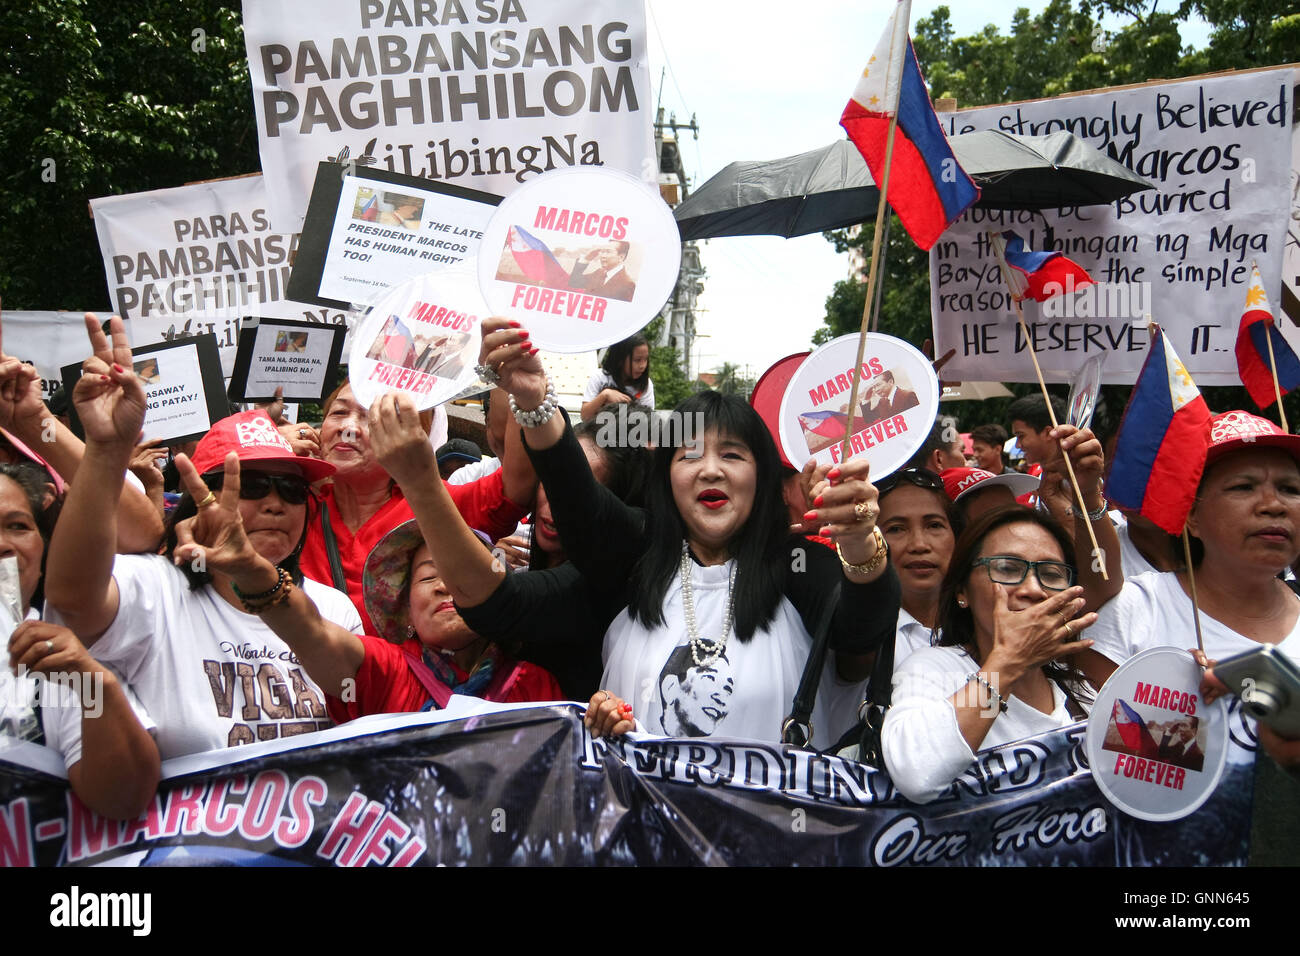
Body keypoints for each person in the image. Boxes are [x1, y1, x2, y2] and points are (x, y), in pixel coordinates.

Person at [468, 319, 899, 746]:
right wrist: (536, 403)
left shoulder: (798, 564)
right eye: (689, 455)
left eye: (731, 455)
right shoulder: (637, 555)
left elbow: (861, 631)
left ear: (762, 476)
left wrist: (859, 540)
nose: (711, 470)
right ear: (666, 478)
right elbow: (582, 503)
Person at [43, 316, 362, 759]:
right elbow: (71, 597)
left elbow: (359, 721)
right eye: (250, 486)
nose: (275, 503)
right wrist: (104, 449)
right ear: (199, 498)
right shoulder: (153, 589)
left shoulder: (332, 609)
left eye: (291, 489)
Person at [881, 507, 1097, 803]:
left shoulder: (1076, 690)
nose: (1033, 590)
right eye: (1007, 568)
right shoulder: (935, 670)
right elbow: (918, 774)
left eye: (1051, 574)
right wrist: (1008, 664)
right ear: (962, 592)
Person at [1080, 410, 1300, 691]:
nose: (1273, 504)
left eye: (1290, 489)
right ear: (1192, 515)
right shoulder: (1136, 612)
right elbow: (1091, 729)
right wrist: (1172, 703)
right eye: (1244, 487)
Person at [298, 380, 535, 634]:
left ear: (409, 436)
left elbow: (519, 480)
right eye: (339, 412)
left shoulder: (437, 503)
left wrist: (508, 375)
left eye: (370, 417)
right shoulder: (290, 503)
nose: (348, 428)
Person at [0, 460, 159, 819]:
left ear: (43, 554)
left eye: (17, 526)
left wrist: (95, 687)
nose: (2, 545)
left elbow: (125, 800)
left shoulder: (66, 660)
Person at [875, 468, 960, 665]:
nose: (919, 545)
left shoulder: (987, 626)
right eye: (896, 529)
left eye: (934, 525)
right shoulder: (859, 641)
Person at [581, 333, 654, 420]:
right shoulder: (599, 378)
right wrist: (605, 395)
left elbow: (648, 420)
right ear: (620, 360)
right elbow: (585, 416)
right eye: (637, 360)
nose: (642, 365)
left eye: (645, 359)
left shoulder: (646, 384)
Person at [1006, 393, 1067, 469]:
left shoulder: (1078, 475)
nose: (1017, 445)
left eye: (1021, 436)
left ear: (1048, 433)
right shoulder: (1035, 474)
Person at [569, 241, 636, 301]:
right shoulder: (599, 273)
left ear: (621, 257)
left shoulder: (628, 284)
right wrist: (586, 259)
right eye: (602, 251)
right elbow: (574, 282)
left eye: (608, 252)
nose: (603, 256)